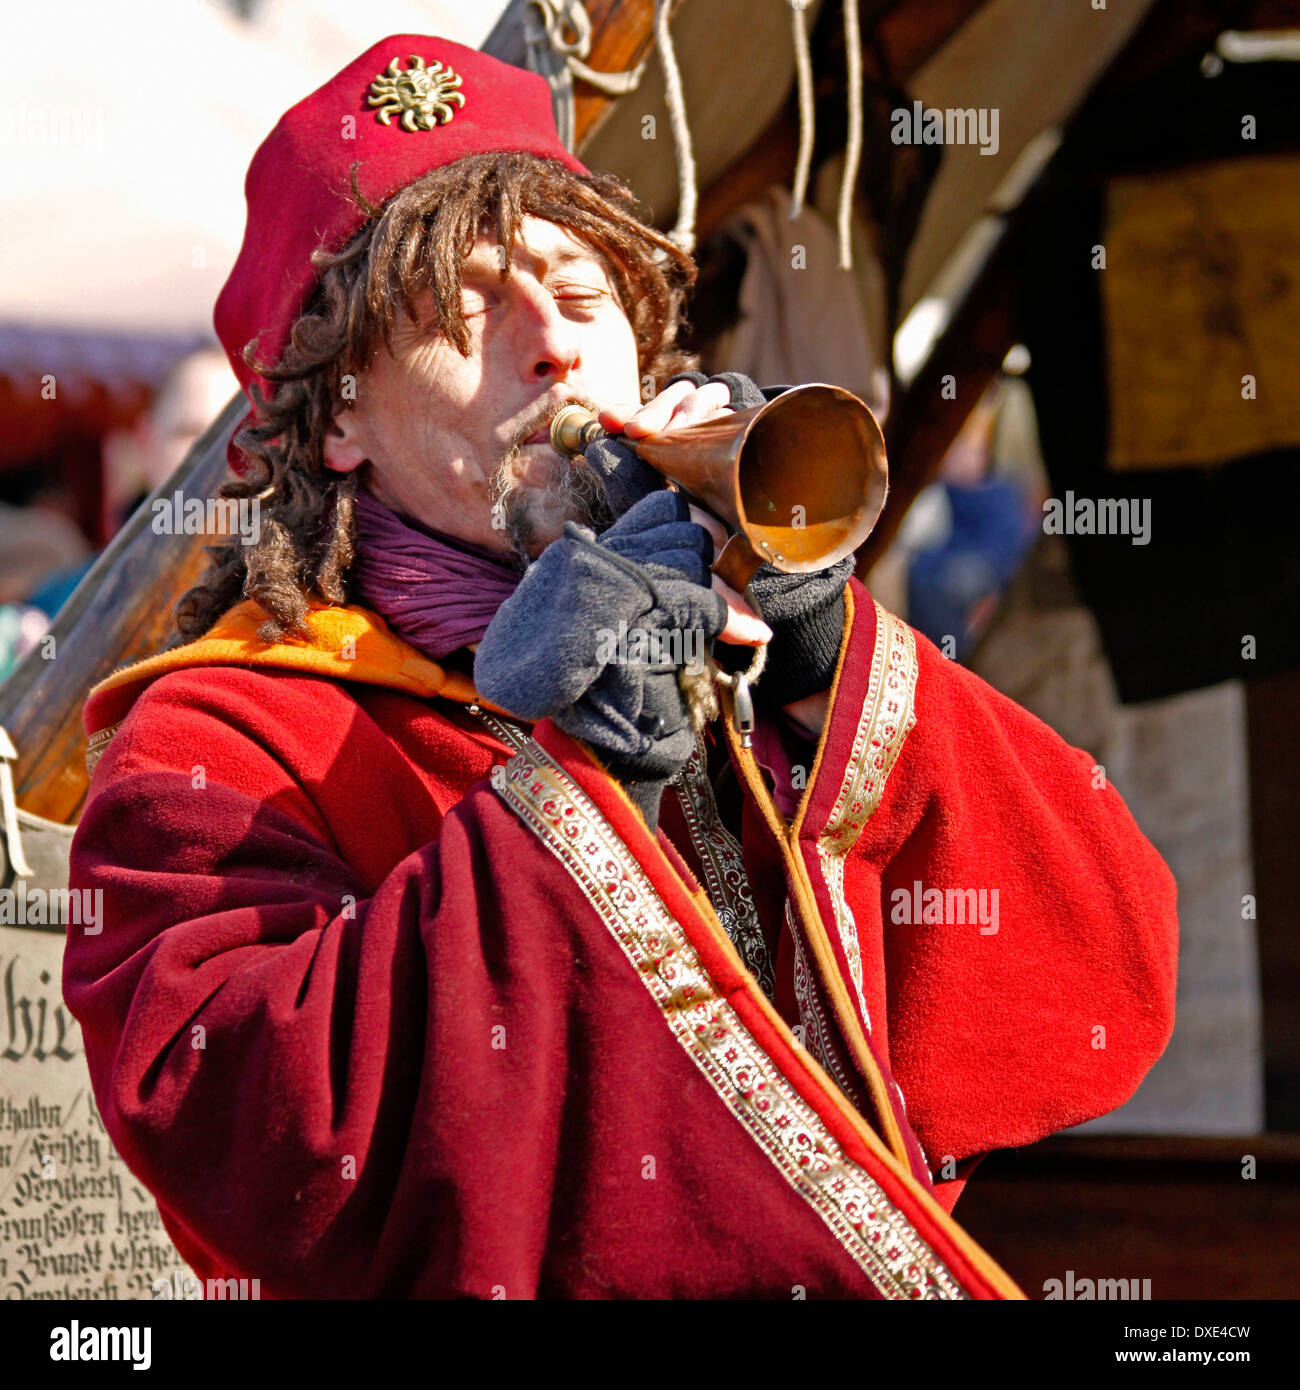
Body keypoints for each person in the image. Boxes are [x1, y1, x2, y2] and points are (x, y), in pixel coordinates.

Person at [63, 35, 1177, 1300]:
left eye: (584, 299)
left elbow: (1106, 980)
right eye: (465, 313)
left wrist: (831, 657)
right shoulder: (217, 738)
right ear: (339, 419)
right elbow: (277, 1153)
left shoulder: (740, 654)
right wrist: (586, 773)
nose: (549, 344)